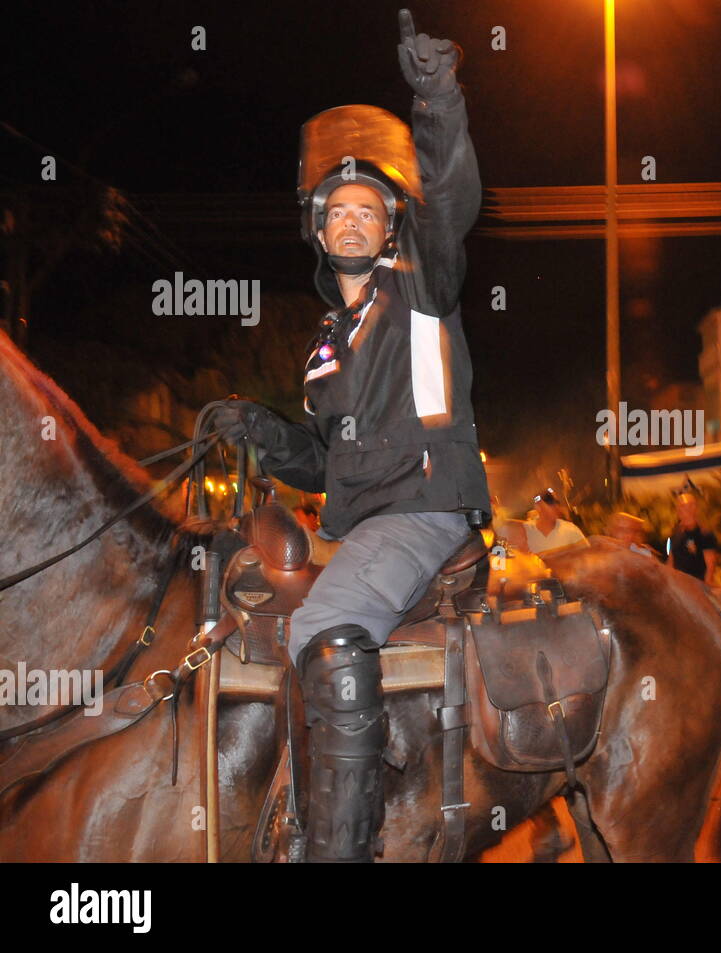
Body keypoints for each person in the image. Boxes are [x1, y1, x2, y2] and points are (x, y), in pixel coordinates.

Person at [210, 10, 490, 862]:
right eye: (340, 212)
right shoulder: (325, 344)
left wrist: (437, 101)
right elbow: (323, 459)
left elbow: (448, 201)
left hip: (425, 510)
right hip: (357, 522)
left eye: (371, 209)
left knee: (320, 629)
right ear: (320, 232)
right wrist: (259, 428)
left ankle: (343, 845)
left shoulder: (424, 289)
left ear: (391, 227)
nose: (356, 220)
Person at [668, 491, 718, 585]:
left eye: (686, 506)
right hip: (679, 585)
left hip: (698, 586)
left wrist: (707, 586)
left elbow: (710, 566)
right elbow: (671, 560)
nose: (682, 510)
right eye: (679, 506)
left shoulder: (705, 535)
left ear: (695, 509)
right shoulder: (674, 534)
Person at [525, 488, 588, 555]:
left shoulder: (570, 529)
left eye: (556, 503)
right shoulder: (525, 530)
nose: (555, 507)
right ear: (538, 507)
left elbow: (587, 553)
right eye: (550, 503)